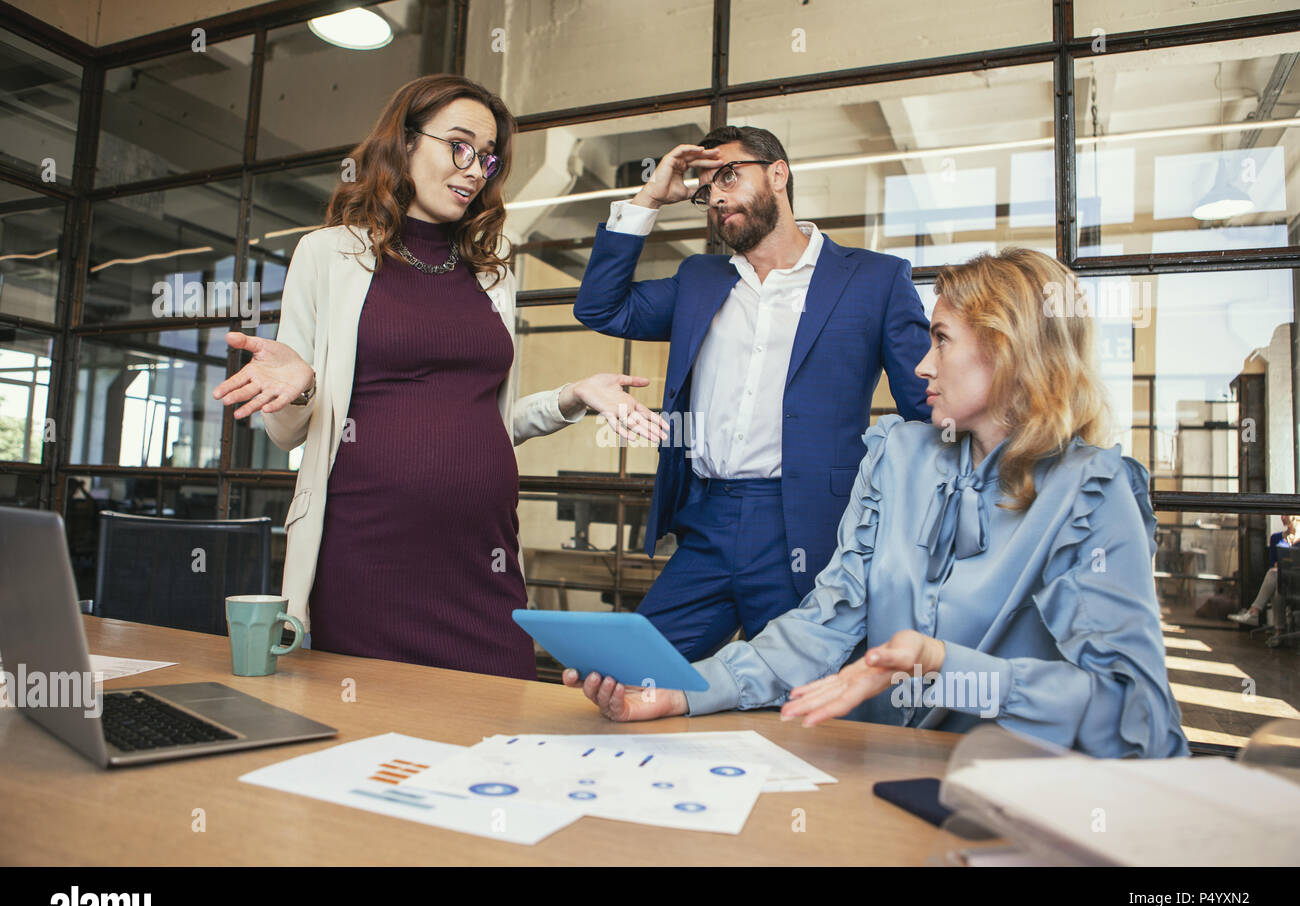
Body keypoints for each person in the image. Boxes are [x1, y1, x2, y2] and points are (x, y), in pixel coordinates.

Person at [564, 248, 1190, 759]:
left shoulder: (1094, 491)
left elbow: (1134, 712)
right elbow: (825, 623)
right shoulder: (897, 454)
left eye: (941, 340)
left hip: (1013, 806)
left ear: (1004, 351)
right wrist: (686, 691)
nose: (920, 365)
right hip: (872, 772)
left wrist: (944, 666)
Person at [212, 75, 666, 679]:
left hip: (484, 558)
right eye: (458, 146)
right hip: (368, 553)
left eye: (487, 156)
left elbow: (485, 419)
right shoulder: (328, 255)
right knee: (366, 739)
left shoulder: (492, 272)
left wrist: (571, 397)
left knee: (497, 722)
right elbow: (286, 431)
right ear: (403, 144)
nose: (475, 168)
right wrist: (307, 384)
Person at [573, 126, 931, 662]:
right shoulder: (700, 277)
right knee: (629, 672)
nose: (715, 196)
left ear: (779, 173)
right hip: (708, 521)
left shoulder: (875, 280)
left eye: (728, 175)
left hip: (812, 524)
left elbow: (925, 406)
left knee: (802, 703)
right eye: (705, 189)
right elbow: (601, 307)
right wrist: (648, 198)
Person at [1228, 514, 1299, 628]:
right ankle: (1278, 632)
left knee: (1274, 575)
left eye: (1285, 514)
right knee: (1277, 589)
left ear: (1296, 516)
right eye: (1281, 515)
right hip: (1283, 581)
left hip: (1297, 581)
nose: (1282, 517)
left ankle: (1254, 612)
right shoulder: (1276, 537)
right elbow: (1272, 563)